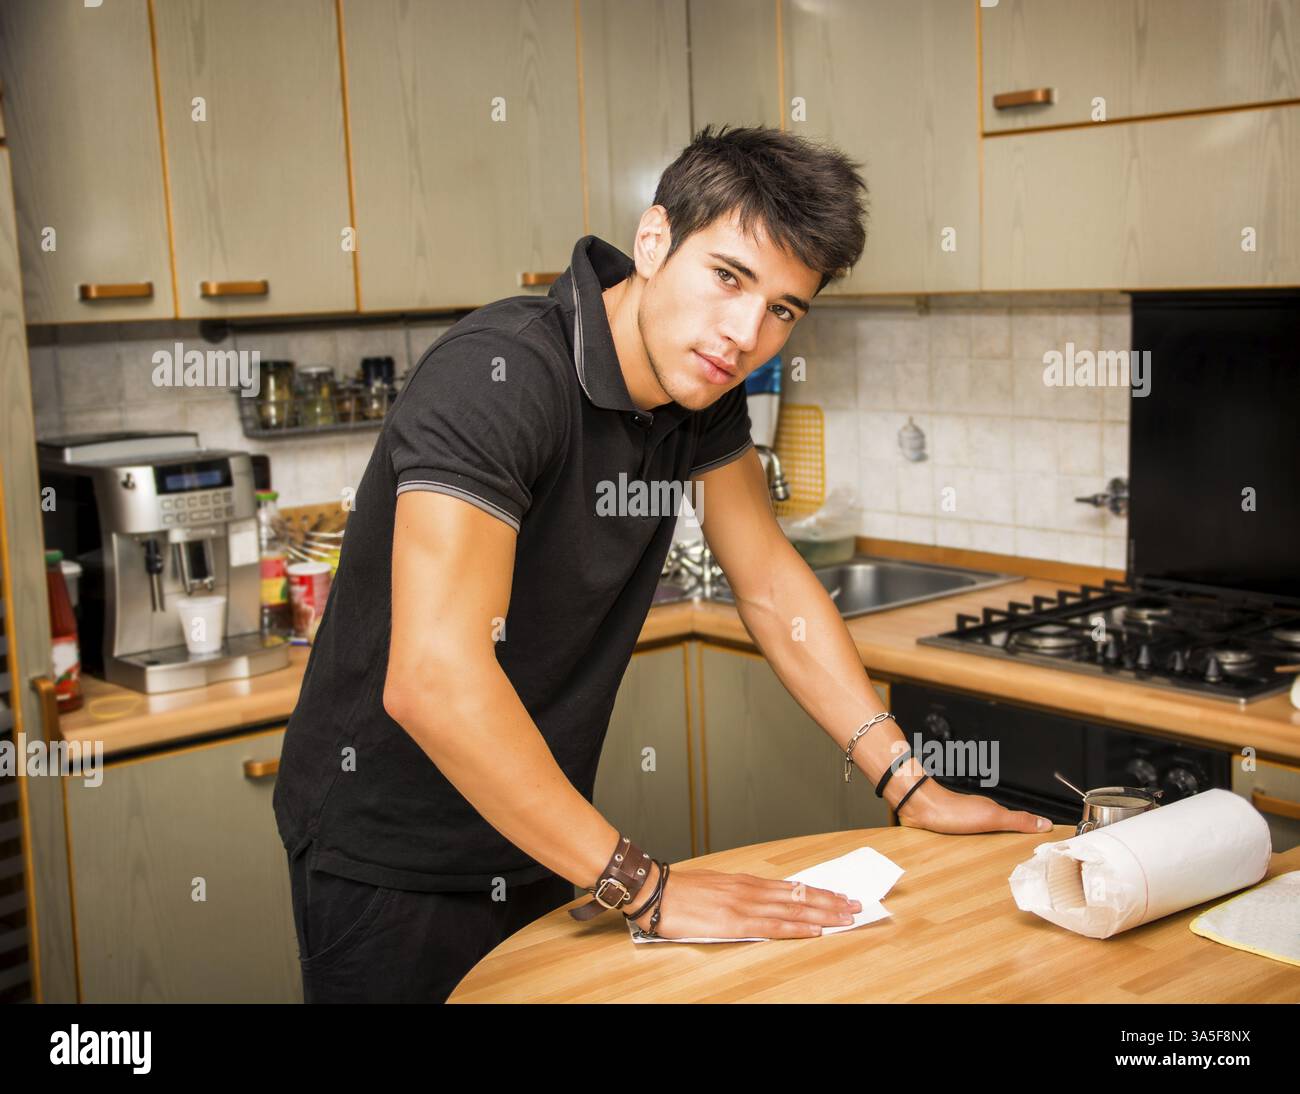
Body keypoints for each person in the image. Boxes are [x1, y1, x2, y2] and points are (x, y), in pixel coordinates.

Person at [272, 123, 1053, 1003]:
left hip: (539, 829)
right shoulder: (495, 380)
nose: (744, 333)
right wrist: (646, 888)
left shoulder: (701, 392)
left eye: (783, 310)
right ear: (652, 242)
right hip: (390, 849)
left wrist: (908, 785)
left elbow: (766, 582)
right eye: (729, 277)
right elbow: (433, 679)